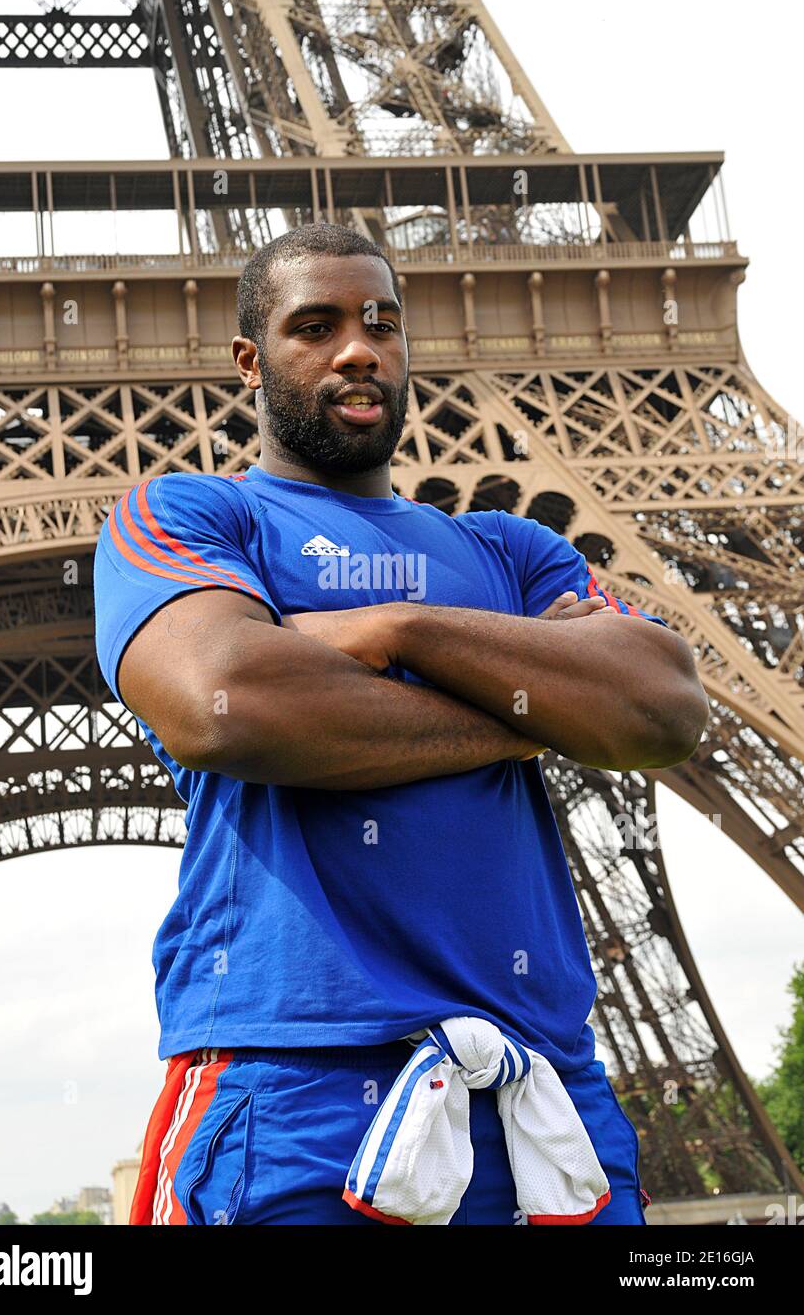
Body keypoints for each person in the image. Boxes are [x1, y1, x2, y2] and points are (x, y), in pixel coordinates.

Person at [93, 224, 708, 1225]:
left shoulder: (509, 543)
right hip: (295, 1088)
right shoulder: (192, 516)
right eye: (315, 325)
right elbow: (228, 702)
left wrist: (394, 625)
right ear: (249, 359)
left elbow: (659, 704)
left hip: (543, 1087)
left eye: (382, 322)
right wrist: (527, 708)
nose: (356, 348)